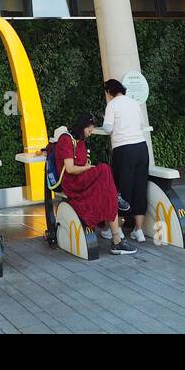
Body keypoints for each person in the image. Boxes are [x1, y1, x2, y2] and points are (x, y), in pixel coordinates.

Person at [54, 114, 136, 255]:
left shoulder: (79, 140)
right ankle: (116, 240)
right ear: (82, 127)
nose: (90, 134)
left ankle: (116, 237)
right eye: (90, 130)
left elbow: (81, 164)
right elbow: (70, 169)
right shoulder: (66, 140)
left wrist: (87, 167)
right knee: (104, 169)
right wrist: (89, 168)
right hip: (72, 182)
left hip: (80, 178)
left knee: (107, 187)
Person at [101, 78, 149, 242]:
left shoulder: (112, 105)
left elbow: (108, 128)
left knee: (122, 189)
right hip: (141, 148)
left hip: (124, 149)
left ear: (109, 92)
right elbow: (142, 124)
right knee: (140, 187)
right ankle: (139, 230)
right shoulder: (134, 103)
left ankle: (118, 230)